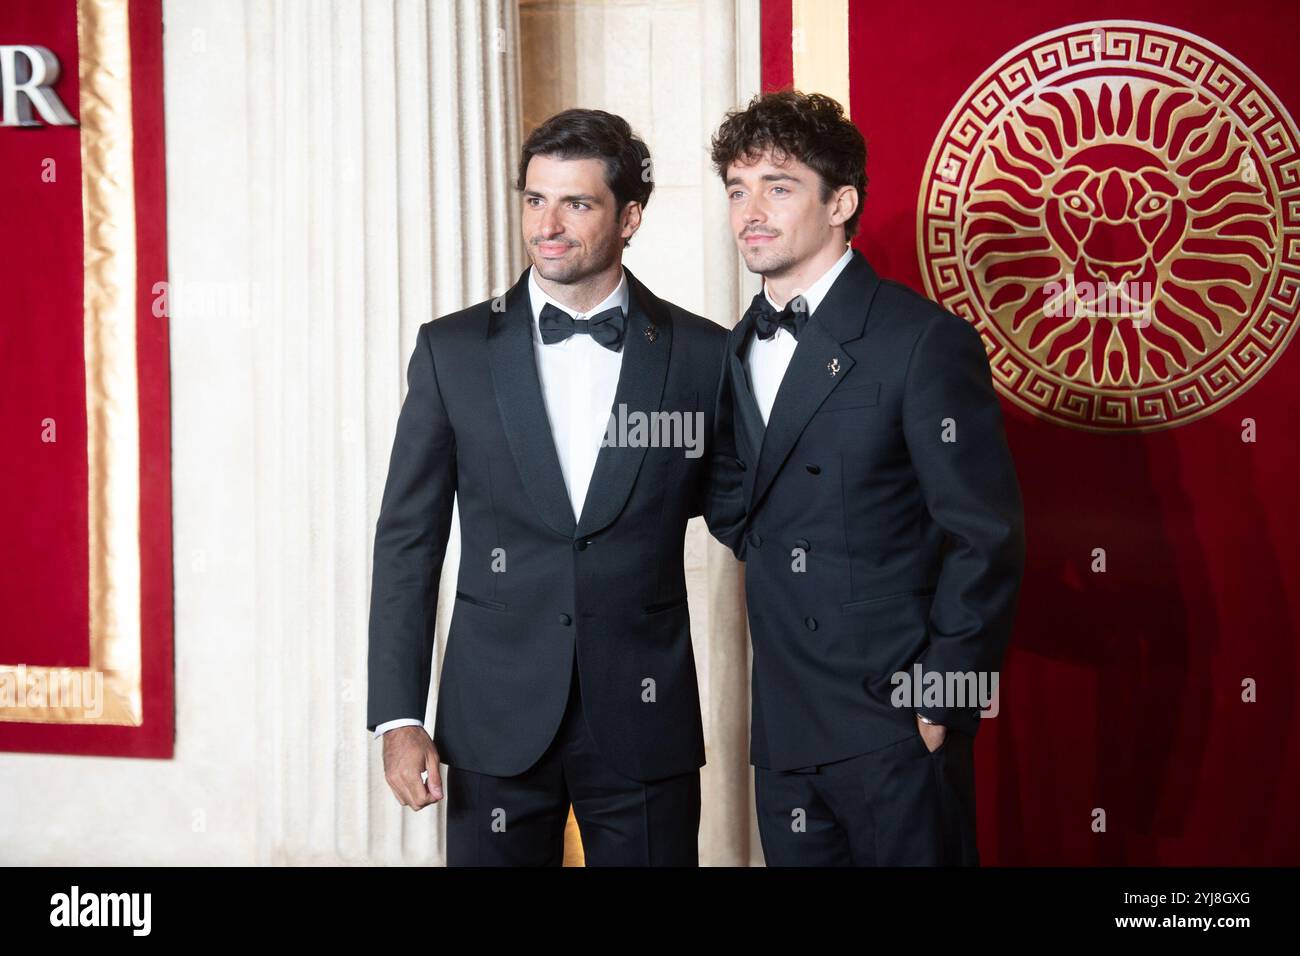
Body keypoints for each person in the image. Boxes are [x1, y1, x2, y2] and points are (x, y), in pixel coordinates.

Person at [366, 108, 741, 866]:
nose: (549, 224)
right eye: (536, 200)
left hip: (645, 720)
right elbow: (409, 541)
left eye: (578, 203)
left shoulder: (703, 355)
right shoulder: (453, 351)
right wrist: (397, 717)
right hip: (491, 721)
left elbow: (749, 515)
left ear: (629, 216)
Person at [708, 90, 1026, 865]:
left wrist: (942, 697)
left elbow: (986, 533)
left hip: (895, 727)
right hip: (784, 728)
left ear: (841, 201)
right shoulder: (730, 348)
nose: (752, 210)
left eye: (779, 187)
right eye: (738, 189)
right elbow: (729, 493)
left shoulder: (921, 341)